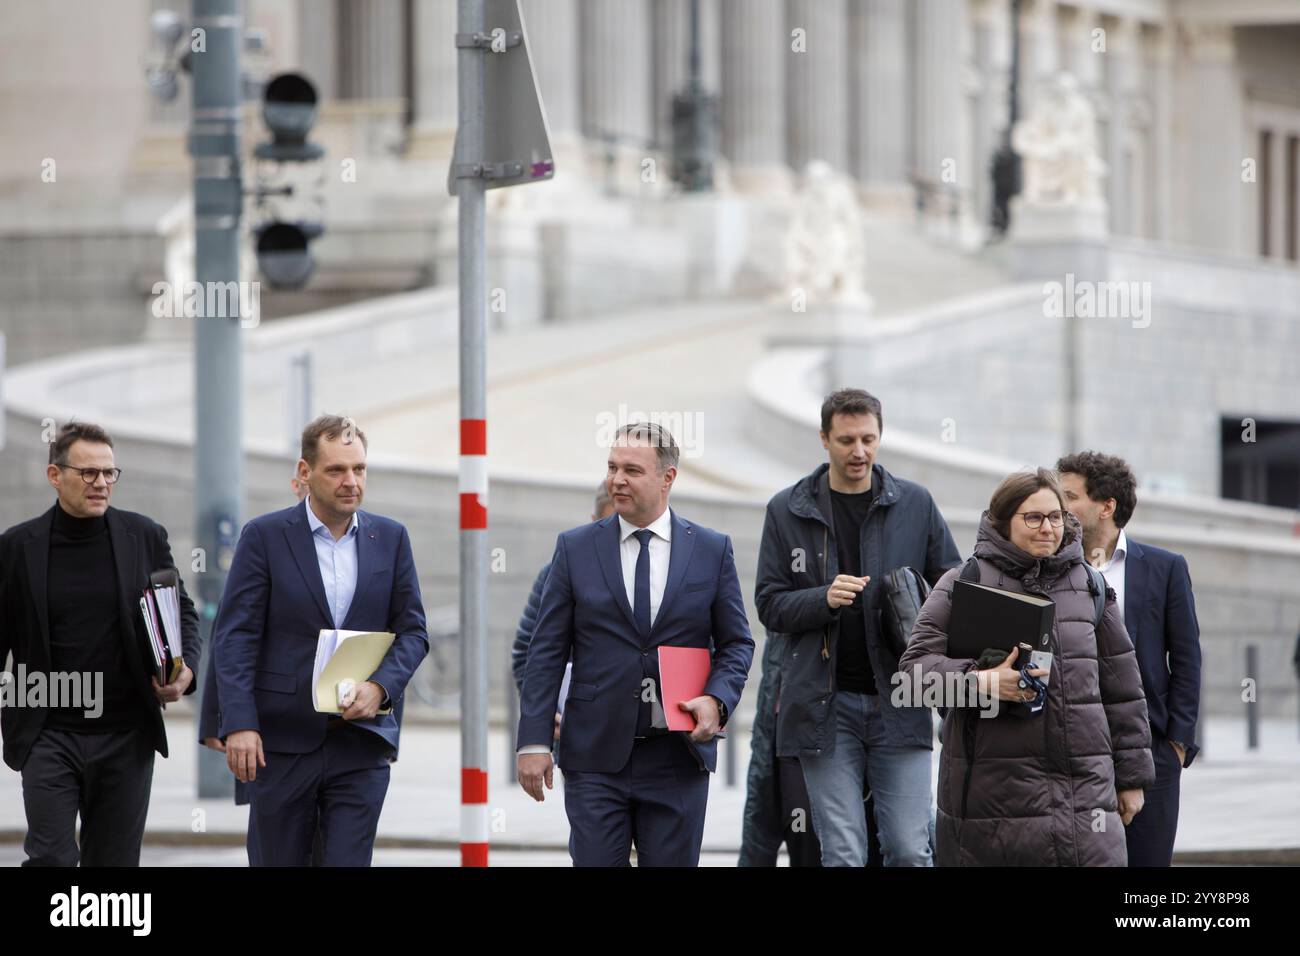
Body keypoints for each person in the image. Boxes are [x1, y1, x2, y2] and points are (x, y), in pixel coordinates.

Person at [516, 421, 754, 866]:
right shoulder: (574, 548)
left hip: (677, 758)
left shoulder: (710, 549)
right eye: (611, 467)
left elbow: (737, 643)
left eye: (631, 470)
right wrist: (533, 742)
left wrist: (717, 700)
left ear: (668, 478)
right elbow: (545, 650)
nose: (617, 480)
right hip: (594, 755)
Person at [900, 468, 1156, 866]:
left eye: (1055, 517)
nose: (1047, 528)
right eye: (1032, 518)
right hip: (993, 805)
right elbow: (912, 680)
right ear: (1004, 521)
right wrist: (980, 681)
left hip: (1084, 804)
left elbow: (1122, 689)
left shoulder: (1091, 585)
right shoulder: (962, 582)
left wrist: (1132, 778)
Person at [755, 388, 960, 866]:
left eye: (869, 438)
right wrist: (821, 598)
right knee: (843, 854)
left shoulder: (915, 503)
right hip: (824, 709)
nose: (859, 451)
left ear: (880, 436)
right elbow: (769, 604)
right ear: (824, 439)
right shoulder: (786, 509)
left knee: (910, 849)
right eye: (847, 440)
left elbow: (954, 586)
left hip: (901, 701)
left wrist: (916, 607)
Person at [212, 415, 429, 866]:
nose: (351, 481)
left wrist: (381, 687)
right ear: (305, 472)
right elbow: (235, 637)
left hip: (360, 743)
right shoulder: (265, 537)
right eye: (337, 470)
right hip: (281, 744)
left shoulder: (390, 538)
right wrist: (239, 723)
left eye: (359, 469)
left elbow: (413, 632)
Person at [0, 421, 200, 866]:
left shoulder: (144, 536)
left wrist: (185, 673)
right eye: (89, 473)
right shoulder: (16, 548)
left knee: (113, 863)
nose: (101, 484)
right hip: (48, 732)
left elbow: (180, 611)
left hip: (126, 733)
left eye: (109, 473)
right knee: (51, 857)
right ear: (55, 476)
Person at [1057, 451, 1202, 867]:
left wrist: (1176, 745)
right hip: (1072, 750)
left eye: (1070, 497)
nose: (1059, 507)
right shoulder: (1048, 569)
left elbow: (1187, 658)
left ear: (1107, 506)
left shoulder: (1165, 567)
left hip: (1151, 751)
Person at [199, 472, 322, 866]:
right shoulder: (268, 540)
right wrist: (221, 719)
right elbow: (231, 636)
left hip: (344, 733)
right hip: (276, 731)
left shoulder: (363, 545)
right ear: (299, 482)